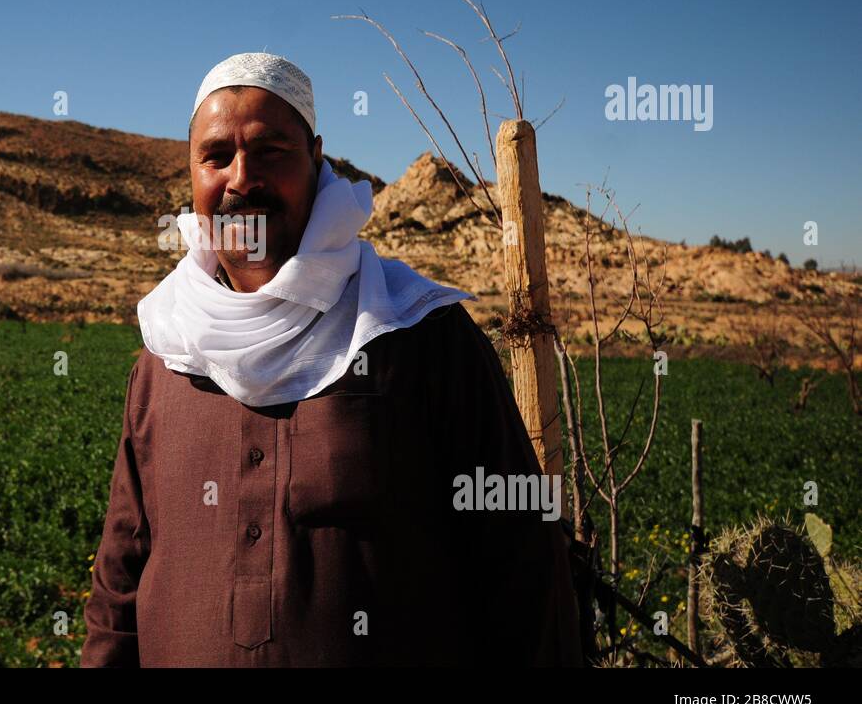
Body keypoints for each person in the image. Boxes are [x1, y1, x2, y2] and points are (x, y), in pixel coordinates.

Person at [81, 52, 582, 666]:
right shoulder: (166, 353)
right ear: (192, 175)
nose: (241, 179)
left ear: (316, 160)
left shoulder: (418, 335)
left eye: (270, 151)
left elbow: (523, 567)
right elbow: (119, 582)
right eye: (216, 156)